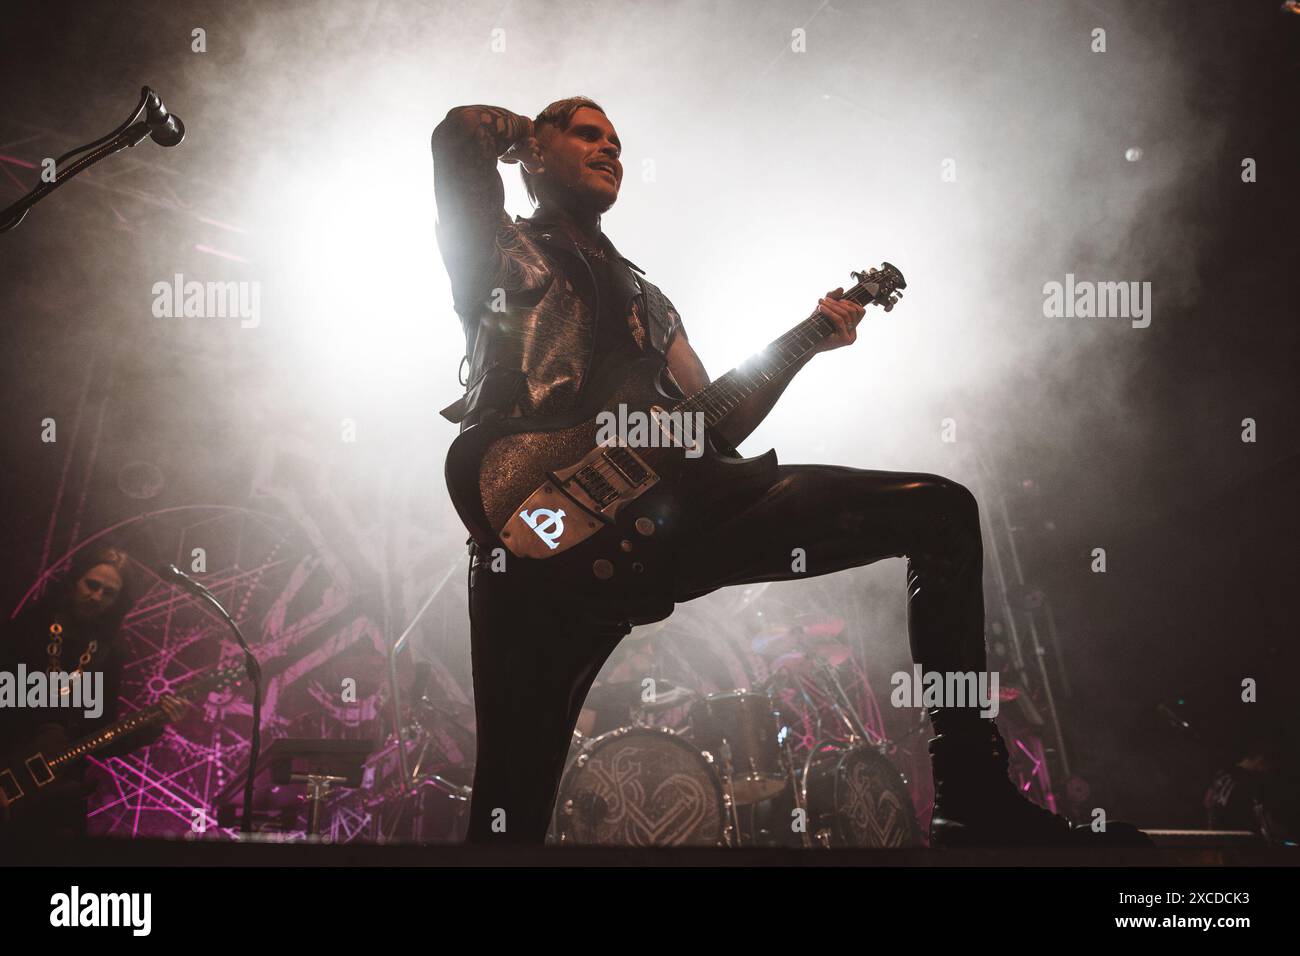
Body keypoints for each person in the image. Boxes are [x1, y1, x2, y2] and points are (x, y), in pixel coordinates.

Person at [431, 97, 1146, 847]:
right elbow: (462, 132)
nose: (610, 148)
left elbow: (711, 428)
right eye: (586, 134)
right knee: (508, 815)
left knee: (940, 511)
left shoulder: (652, 300)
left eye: (616, 140)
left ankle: (971, 794)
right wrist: (525, 138)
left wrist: (807, 341)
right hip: (538, 535)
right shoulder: (499, 250)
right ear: (536, 154)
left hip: (673, 520)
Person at [0, 545, 188, 838]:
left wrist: (154, 724)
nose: (97, 596)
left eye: (108, 593)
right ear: (74, 580)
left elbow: (101, 736)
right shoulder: (27, 629)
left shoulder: (109, 653)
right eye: (92, 585)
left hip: (60, 798)